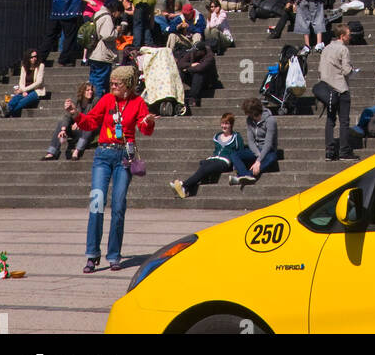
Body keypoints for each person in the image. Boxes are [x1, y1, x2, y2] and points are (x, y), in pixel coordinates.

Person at [74, 66, 156, 272]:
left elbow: (145, 129)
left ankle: (114, 255)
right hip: (103, 154)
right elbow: (91, 121)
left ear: (127, 85)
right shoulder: (107, 100)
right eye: (111, 83)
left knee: (118, 205)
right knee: (97, 202)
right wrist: (76, 115)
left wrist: (148, 122)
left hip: (124, 157)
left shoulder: (137, 102)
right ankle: (92, 255)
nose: (112, 86)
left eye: (116, 83)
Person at [170, 112, 252, 198]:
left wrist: (237, 167)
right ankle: (185, 189)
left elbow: (240, 152)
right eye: (222, 123)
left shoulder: (236, 137)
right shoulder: (217, 136)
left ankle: (183, 184)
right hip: (213, 158)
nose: (224, 126)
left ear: (231, 125)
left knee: (205, 169)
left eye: (226, 124)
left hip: (225, 161)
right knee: (203, 166)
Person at [37, 0, 86, 68]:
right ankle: (64, 59)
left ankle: (41, 58)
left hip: (55, 12)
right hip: (68, 12)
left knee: (50, 36)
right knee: (70, 36)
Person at [318, 23, 355, 161]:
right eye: (348, 35)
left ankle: (329, 151)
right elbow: (346, 70)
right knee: (344, 121)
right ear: (342, 36)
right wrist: (352, 69)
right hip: (341, 88)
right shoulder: (343, 49)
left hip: (328, 89)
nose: (350, 37)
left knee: (330, 119)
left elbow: (320, 69)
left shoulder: (326, 48)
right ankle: (344, 151)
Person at [228, 97, 279, 186]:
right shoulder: (249, 120)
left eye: (249, 113)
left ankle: (242, 178)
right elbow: (250, 141)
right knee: (234, 154)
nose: (248, 116)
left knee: (272, 157)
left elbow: (268, 144)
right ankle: (246, 175)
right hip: (256, 150)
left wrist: (258, 161)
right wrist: (258, 157)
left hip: (267, 151)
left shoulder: (270, 120)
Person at [43, 81, 98, 160]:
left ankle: (77, 150)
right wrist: (63, 129)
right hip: (76, 130)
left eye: (91, 90)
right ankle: (52, 152)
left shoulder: (95, 101)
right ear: (82, 92)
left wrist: (80, 122)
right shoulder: (76, 102)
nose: (91, 92)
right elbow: (67, 116)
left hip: (88, 132)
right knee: (61, 122)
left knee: (88, 126)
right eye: (88, 90)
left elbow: (93, 117)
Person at [0, 49, 46, 118]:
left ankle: (6, 111)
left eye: (35, 56)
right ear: (28, 58)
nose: (34, 58)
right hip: (25, 90)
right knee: (16, 98)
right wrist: (23, 90)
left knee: (22, 102)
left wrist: (25, 90)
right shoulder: (24, 67)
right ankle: (6, 109)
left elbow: (38, 82)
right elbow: (21, 81)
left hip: (36, 91)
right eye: (31, 57)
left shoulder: (40, 66)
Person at [89, 0, 122, 97]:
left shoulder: (98, 14)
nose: (119, 15)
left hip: (94, 53)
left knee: (93, 81)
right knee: (100, 82)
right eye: (119, 12)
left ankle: (91, 103)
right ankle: (97, 104)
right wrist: (117, 31)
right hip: (103, 55)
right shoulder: (107, 17)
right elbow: (107, 35)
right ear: (115, 10)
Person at [177, 41, 217, 110]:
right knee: (181, 73)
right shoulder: (193, 52)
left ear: (202, 51)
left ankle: (193, 98)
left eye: (196, 51)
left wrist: (187, 69)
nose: (194, 53)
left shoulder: (210, 57)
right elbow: (180, 63)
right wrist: (190, 65)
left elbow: (200, 68)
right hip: (194, 80)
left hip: (207, 82)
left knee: (199, 73)